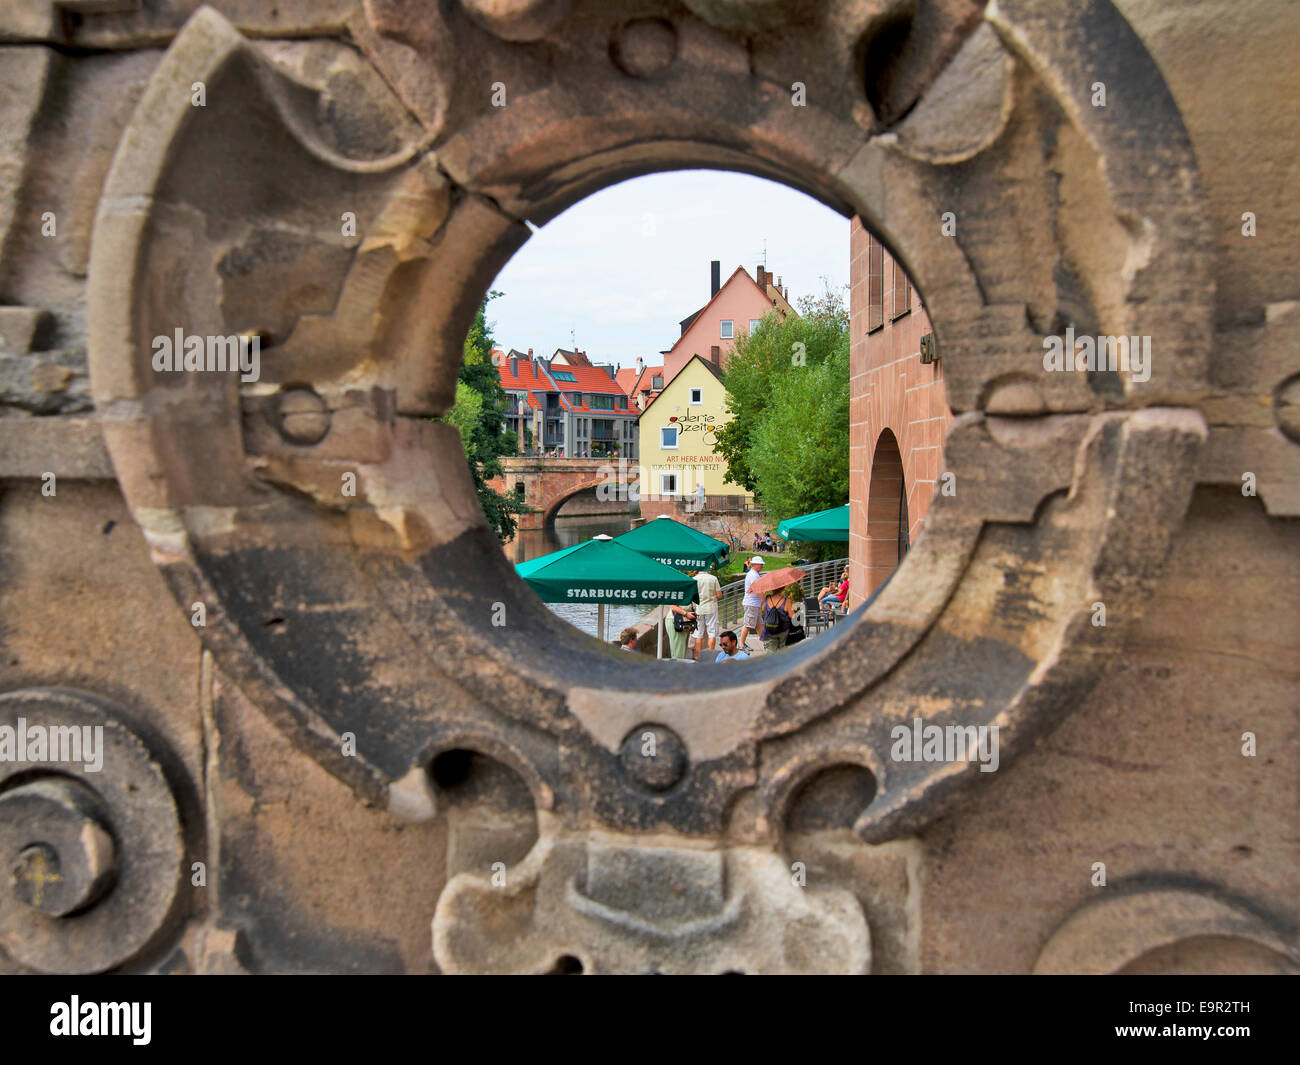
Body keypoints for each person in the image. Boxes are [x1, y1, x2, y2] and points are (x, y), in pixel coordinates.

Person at [691, 567, 721, 660]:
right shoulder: (713, 578)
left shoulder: (694, 579)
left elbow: (692, 595)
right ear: (708, 569)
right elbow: (719, 595)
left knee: (698, 633)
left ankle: (700, 657)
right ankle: (710, 656)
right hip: (711, 608)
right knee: (711, 632)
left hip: (699, 609)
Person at [760, 582, 796, 654]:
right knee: (783, 649)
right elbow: (792, 616)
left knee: (770, 651)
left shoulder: (767, 598)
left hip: (769, 629)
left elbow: (763, 610)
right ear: (784, 588)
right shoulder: (786, 600)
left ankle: (771, 663)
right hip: (783, 630)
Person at [738, 555, 764, 649]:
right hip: (751, 603)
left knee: (759, 624)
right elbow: (757, 589)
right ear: (755, 565)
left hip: (754, 604)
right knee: (748, 624)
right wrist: (764, 600)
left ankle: (765, 642)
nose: (762, 566)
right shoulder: (753, 575)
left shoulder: (755, 574)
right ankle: (741, 644)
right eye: (760, 564)